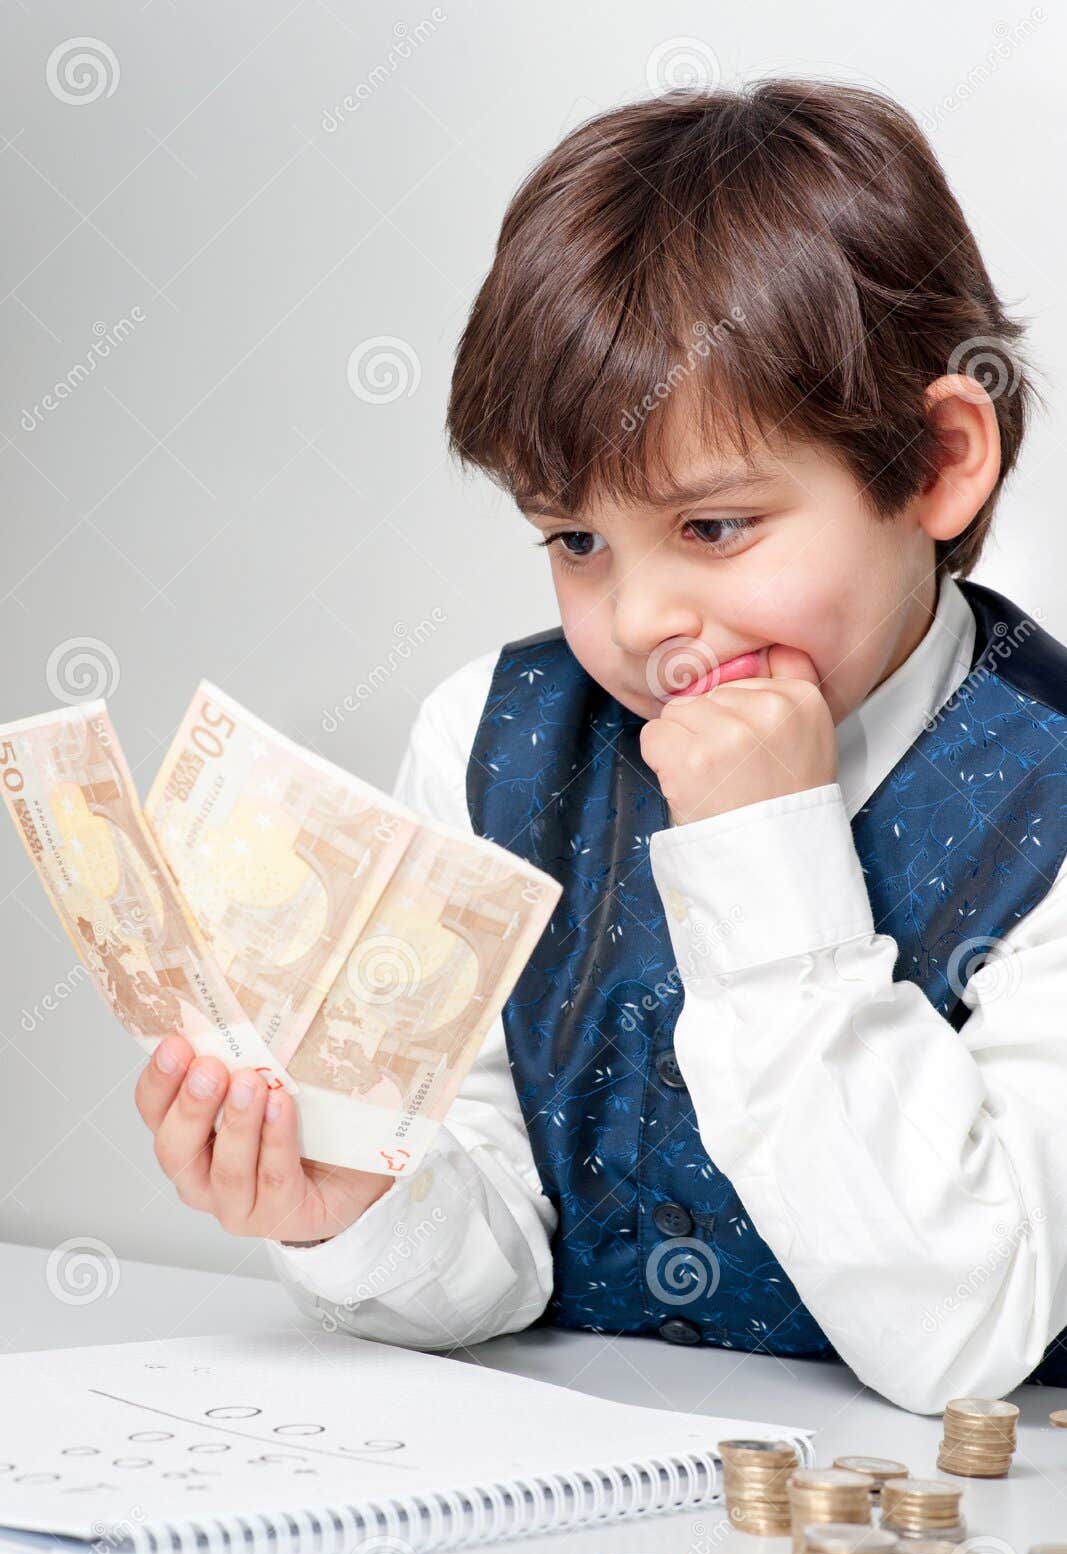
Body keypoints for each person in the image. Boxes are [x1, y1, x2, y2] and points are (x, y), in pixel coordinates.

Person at [134, 80, 1067, 1416]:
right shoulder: (490, 743)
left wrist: (765, 850)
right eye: (576, 541)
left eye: (713, 529)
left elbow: (957, 1332)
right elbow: (496, 1238)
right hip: (585, 1513)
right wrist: (363, 1202)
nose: (637, 621)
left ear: (935, 460)